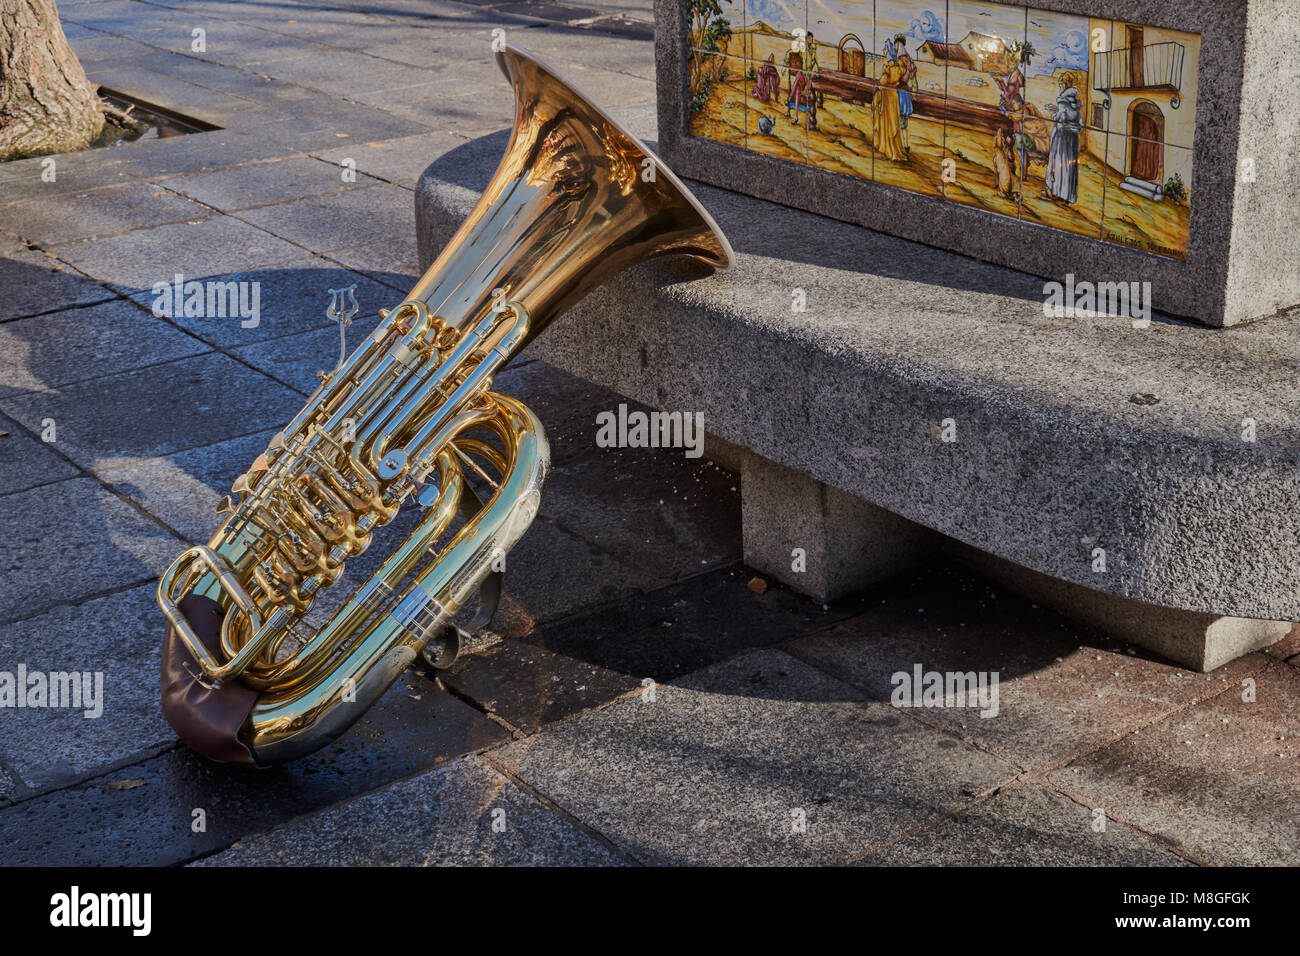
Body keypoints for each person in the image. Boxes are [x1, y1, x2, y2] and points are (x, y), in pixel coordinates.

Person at [1043, 72, 1082, 202]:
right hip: (1072, 139)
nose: (1060, 86)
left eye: (1061, 83)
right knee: (1069, 166)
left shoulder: (1063, 102)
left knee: (1058, 163)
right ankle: (1067, 195)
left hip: (1062, 138)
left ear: (1065, 84)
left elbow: (1061, 121)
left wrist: (1054, 114)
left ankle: (1055, 191)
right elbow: (1079, 123)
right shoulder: (1076, 104)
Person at [873, 39, 906, 160]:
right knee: (893, 123)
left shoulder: (889, 67)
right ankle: (893, 148)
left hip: (887, 96)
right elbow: (903, 71)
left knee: (887, 121)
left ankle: (888, 148)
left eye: (885, 49)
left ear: (889, 51)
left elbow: (882, 82)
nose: (883, 50)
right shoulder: (898, 67)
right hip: (894, 96)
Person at [893, 35, 918, 155]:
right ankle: (905, 146)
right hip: (904, 94)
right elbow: (913, 74)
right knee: (903, 123)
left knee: (900, 122)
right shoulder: (909, 59)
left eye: (896, 44)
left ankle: (903, 146)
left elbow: (904, 78)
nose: (895, 46)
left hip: (900, 94)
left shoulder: (901, 59)